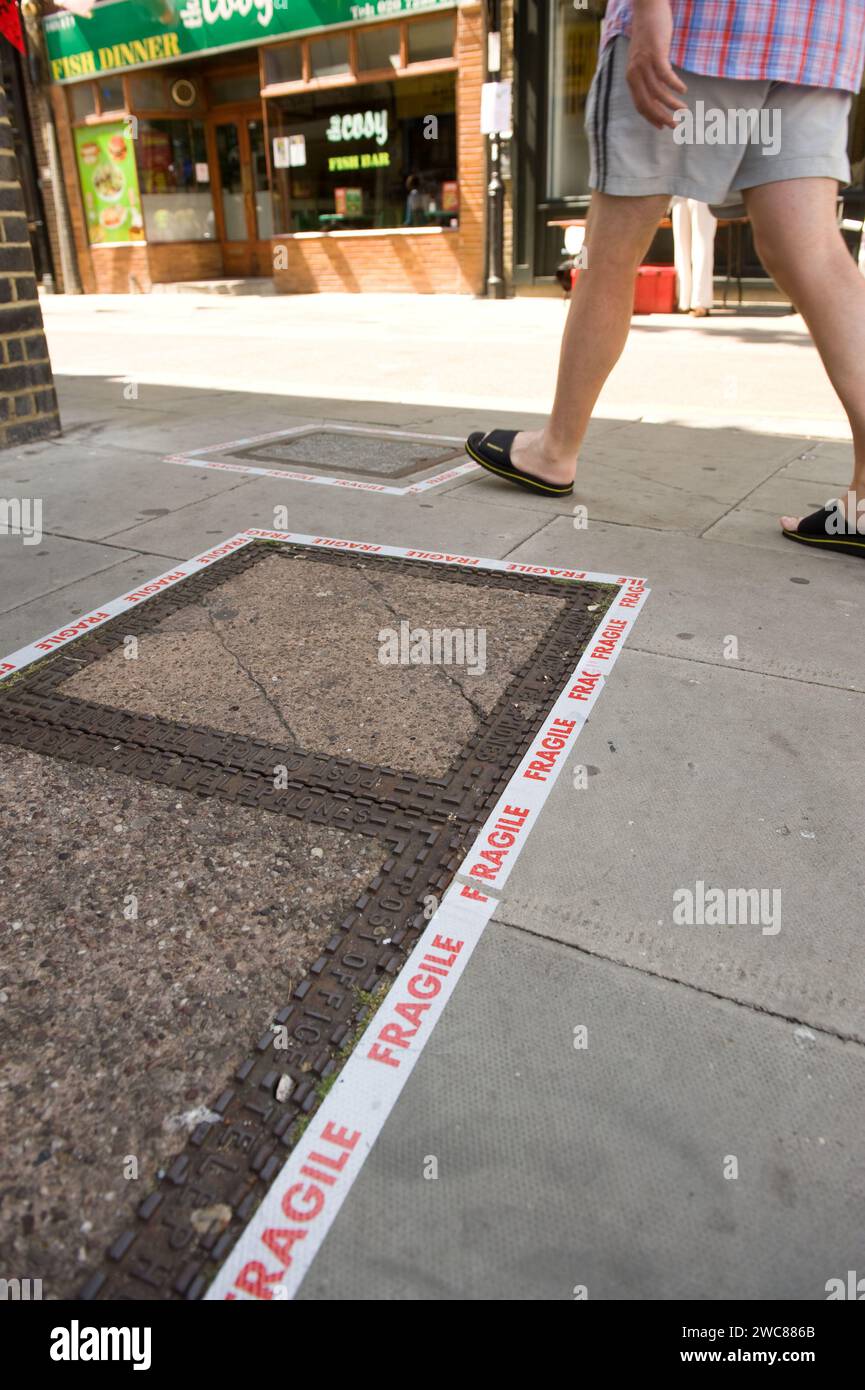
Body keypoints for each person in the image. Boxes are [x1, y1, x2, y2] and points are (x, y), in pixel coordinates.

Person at [465, 0, 865, 556]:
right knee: (813, 252)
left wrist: (650, 15)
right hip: (816, 39)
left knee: (609, 250)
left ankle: (555, 450)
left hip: (698, 28)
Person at [671, 195, 717, 315]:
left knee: (701, 242)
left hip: (701, 189)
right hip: (679, 192)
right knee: (683, 243)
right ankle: (684, 300)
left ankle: (698, 301)